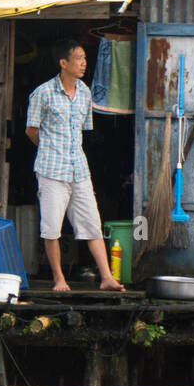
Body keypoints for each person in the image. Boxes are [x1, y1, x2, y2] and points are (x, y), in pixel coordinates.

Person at [25, 39, 124, 293]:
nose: (83, 63)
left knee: (92, 223)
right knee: (52, 228)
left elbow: (82, 131)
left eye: (84, 58)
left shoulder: (85, 93)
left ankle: (107, 278)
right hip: (51, 171)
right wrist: (49, 150)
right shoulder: (43, 93)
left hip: (79, 170)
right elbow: (31, 130)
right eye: (78, 58)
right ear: (63, 63)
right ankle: (59, 279)